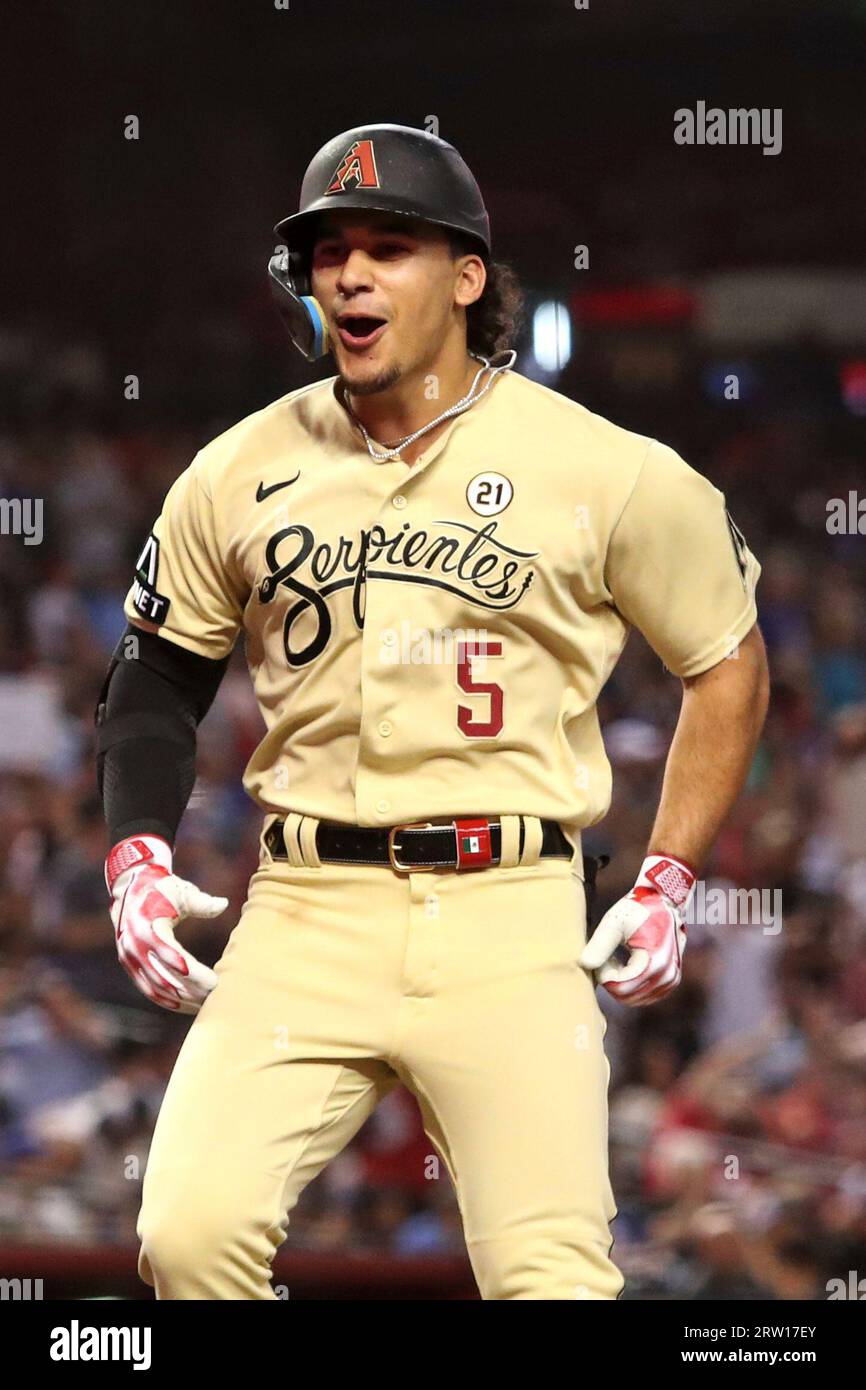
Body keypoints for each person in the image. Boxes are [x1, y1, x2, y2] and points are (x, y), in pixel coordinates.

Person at [95, 123, 770, 1299]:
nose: (349, 274)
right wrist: (134, 852)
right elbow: (157, 669)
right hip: (305, 908)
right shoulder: (236, 466)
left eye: (388, 246)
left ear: (466, 279)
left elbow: (726, 658)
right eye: (327, 251)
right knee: (188, 1239)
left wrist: (668, 875)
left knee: (549, 1279)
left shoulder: (603, 467)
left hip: (509, 911)